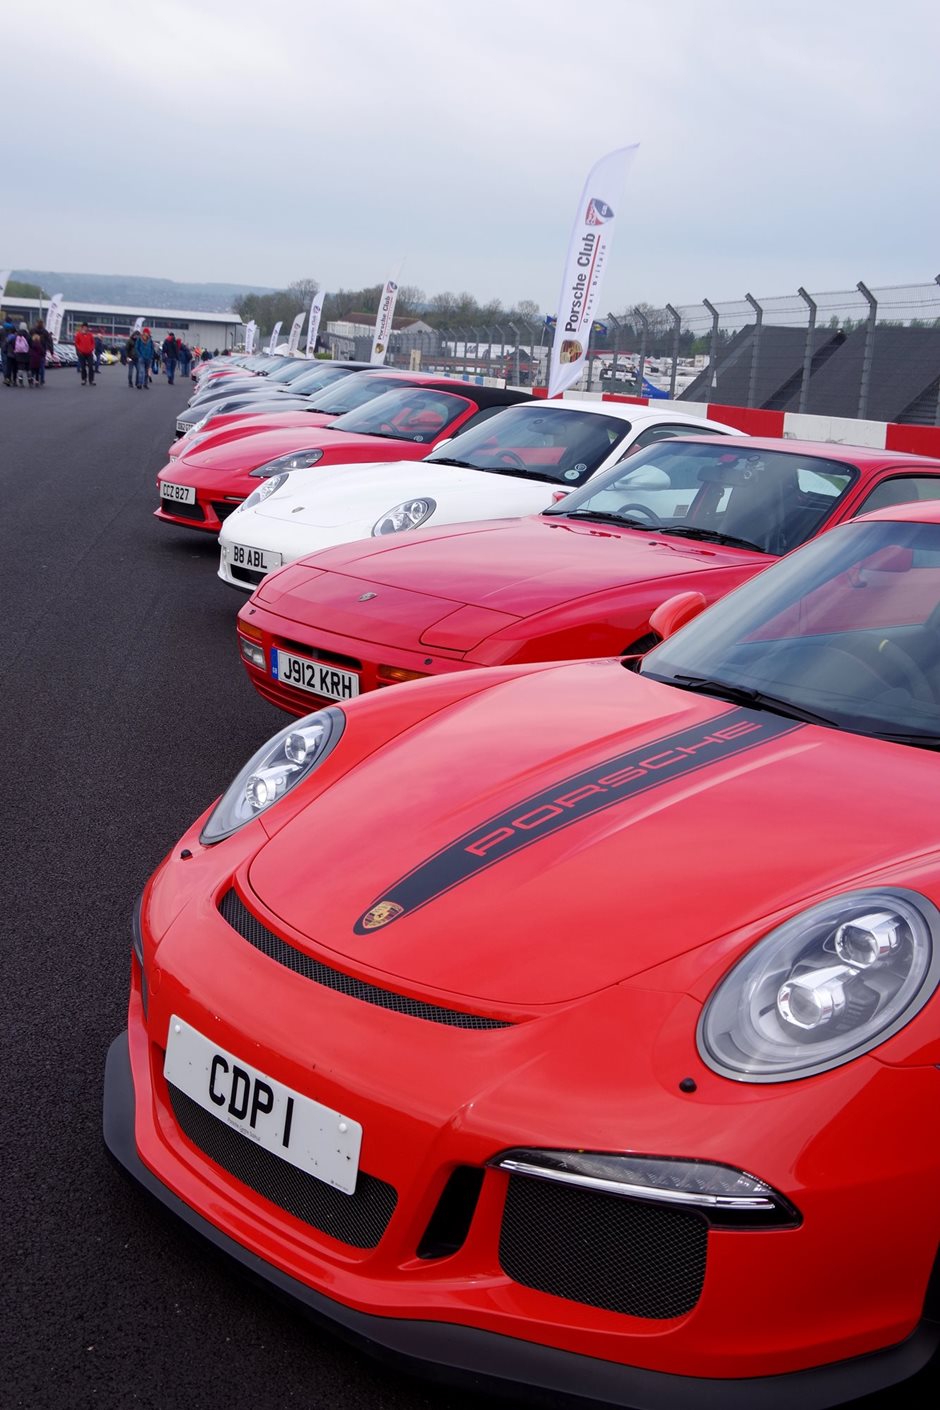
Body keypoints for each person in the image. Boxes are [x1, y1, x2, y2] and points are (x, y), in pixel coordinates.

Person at [30, 319, 54, 386]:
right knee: (41, 366)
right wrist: (51, 351)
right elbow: (49, 342)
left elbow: (28, 339)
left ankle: (32, 378)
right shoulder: (45, 332)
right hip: (42, 351)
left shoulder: (32, 330)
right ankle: (41, 380)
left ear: (36, 323)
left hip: (33, 351)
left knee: (33, 366)